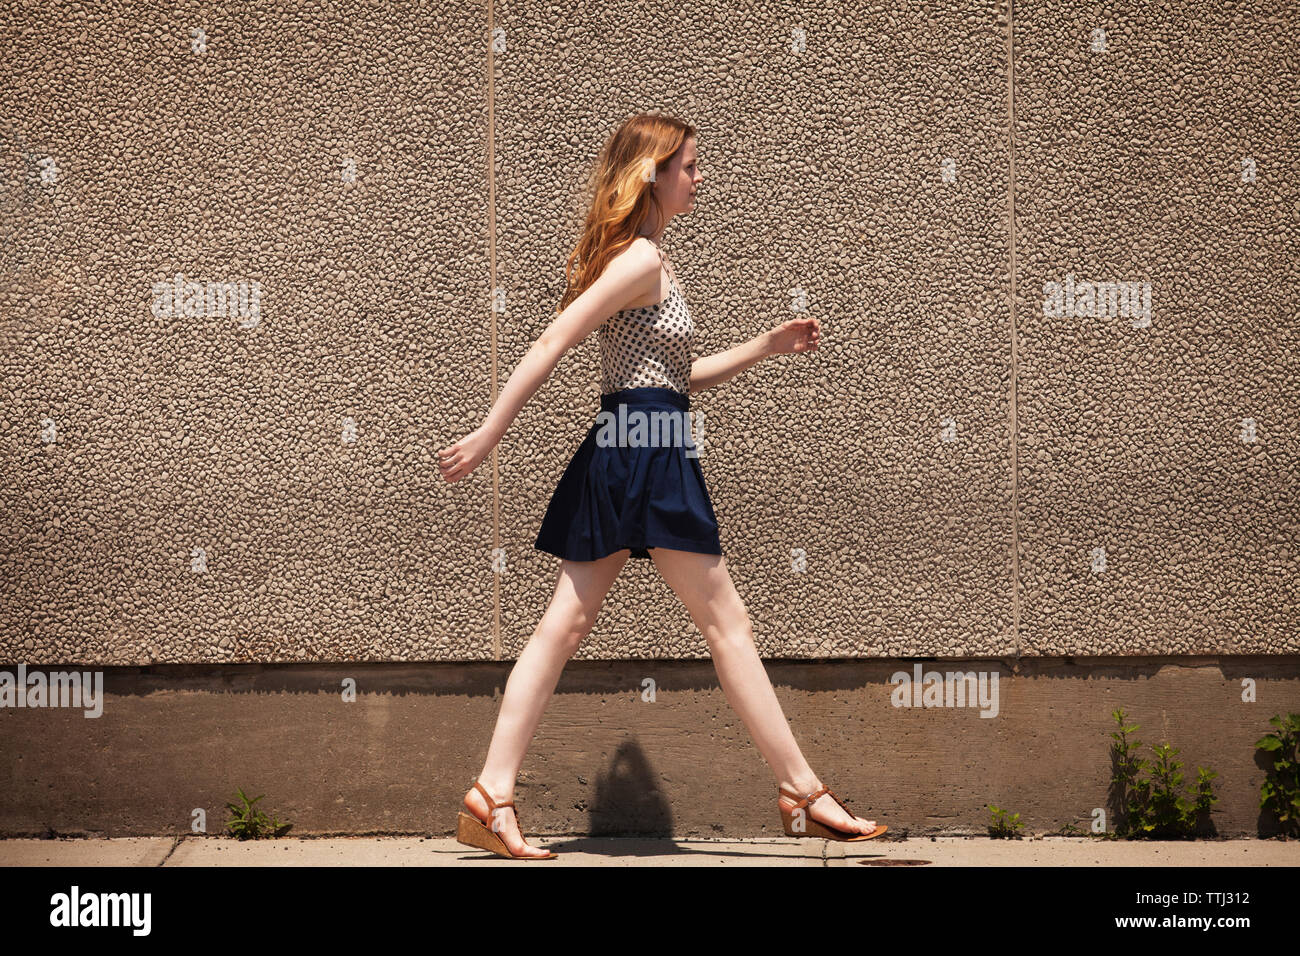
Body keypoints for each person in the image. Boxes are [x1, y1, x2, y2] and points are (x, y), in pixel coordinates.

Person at [437, 112, 886, 859]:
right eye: (689, 166)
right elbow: (554, 339)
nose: (699, 177)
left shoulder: (651, 261)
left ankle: (492, 794)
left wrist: (767, 346)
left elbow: (676, 377)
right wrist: (490, 433)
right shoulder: (640, 260)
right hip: (644, 449)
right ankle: (803, 791)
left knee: (572, 626)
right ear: (653, 174)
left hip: (644, 441)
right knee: (723, 624)